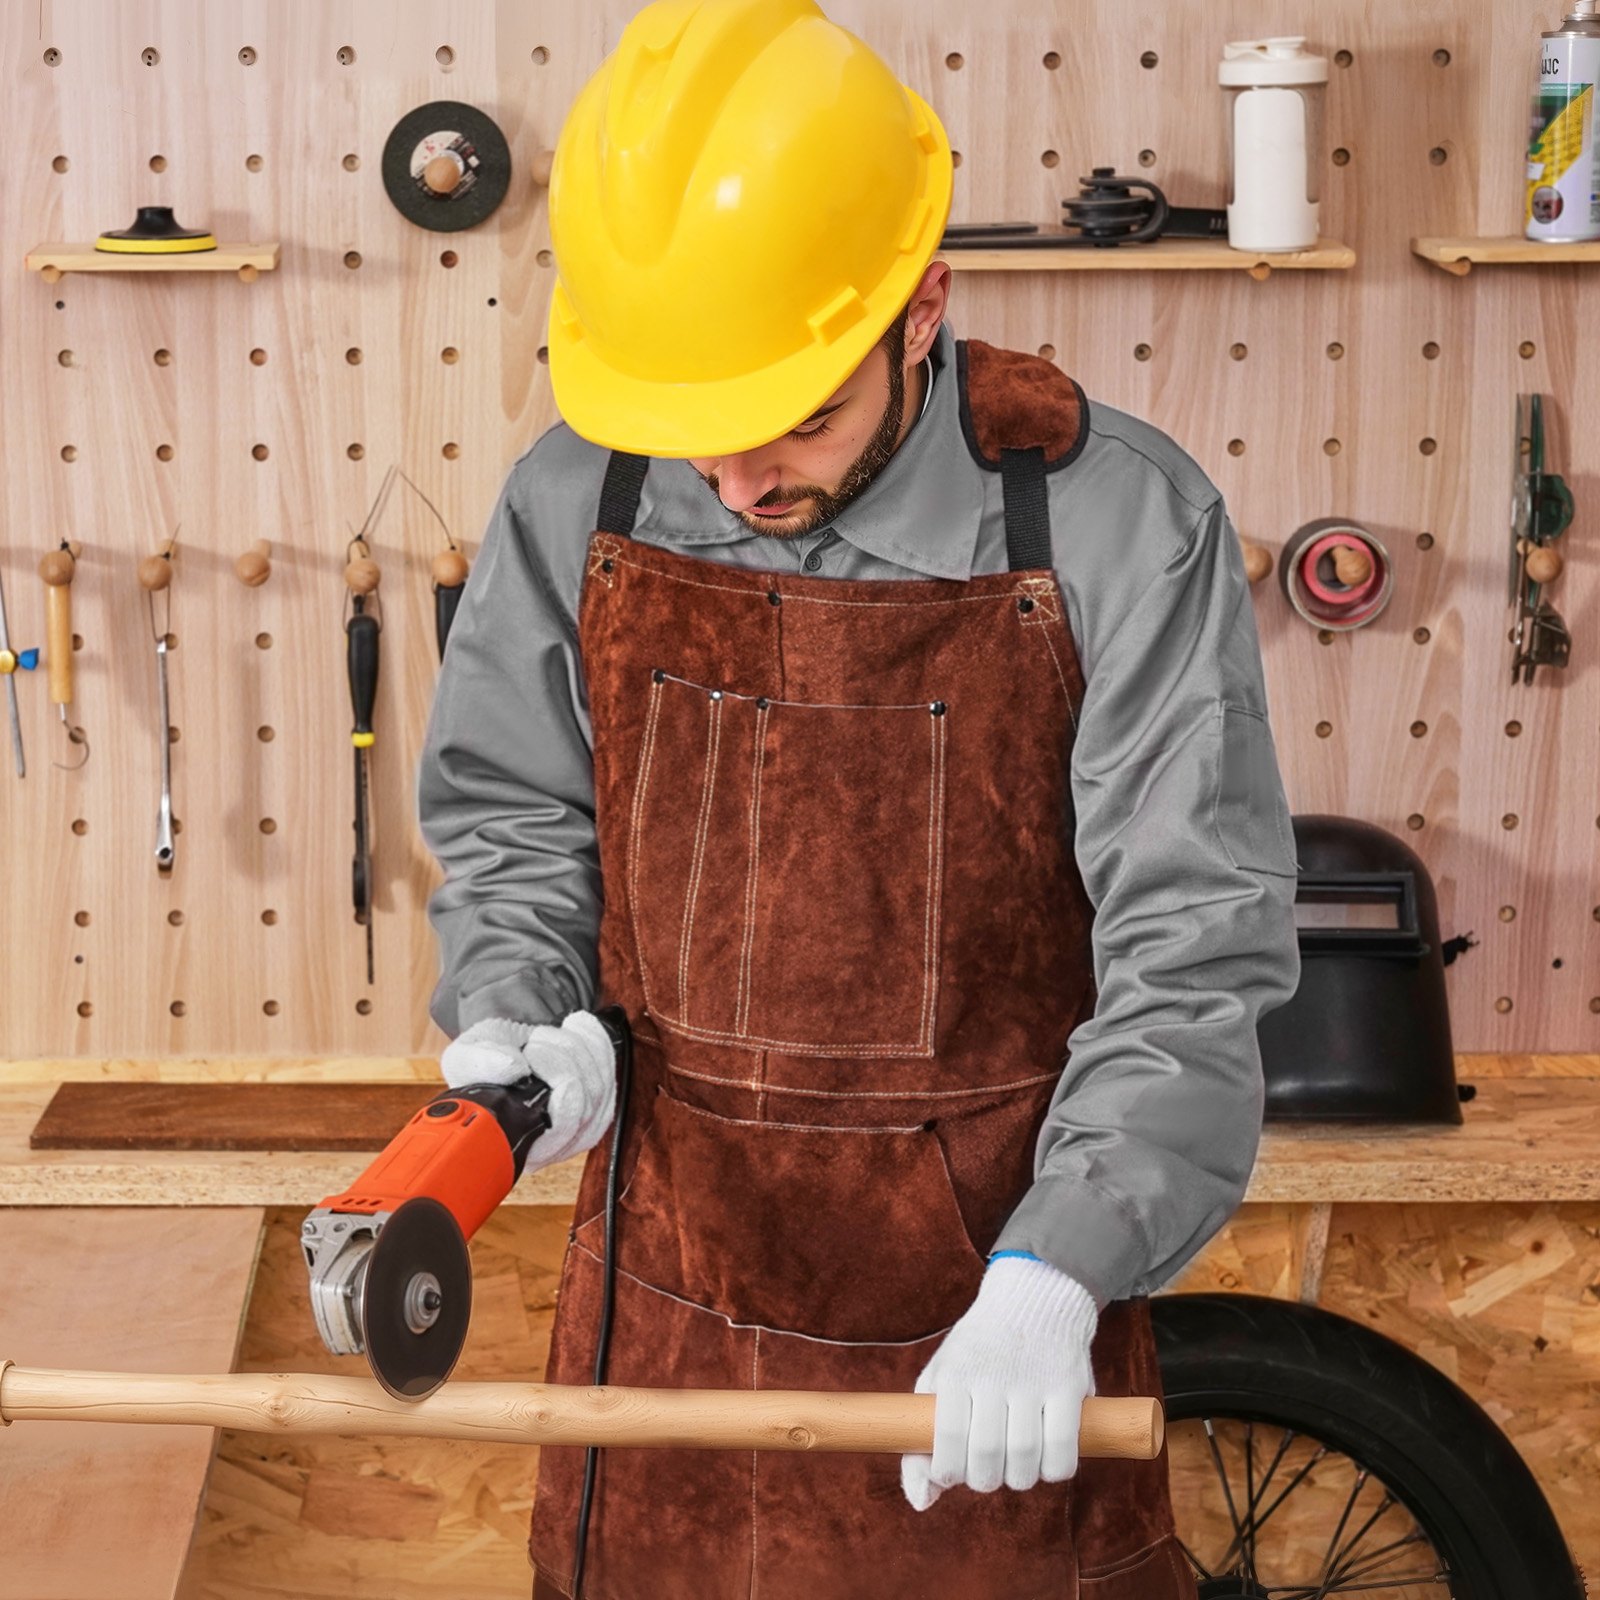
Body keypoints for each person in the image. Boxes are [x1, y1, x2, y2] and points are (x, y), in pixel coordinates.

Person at [415, 2, 1302, 1595]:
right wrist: (513, 1019)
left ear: (924, 308)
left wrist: (1058, 1273)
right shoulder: (579, 497)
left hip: (994, 1341)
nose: (741, 484)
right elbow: (512, 818)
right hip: (668, 1325)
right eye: (697, 435)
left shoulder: (1114, 527)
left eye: (798, 419)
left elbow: (1196, 955)